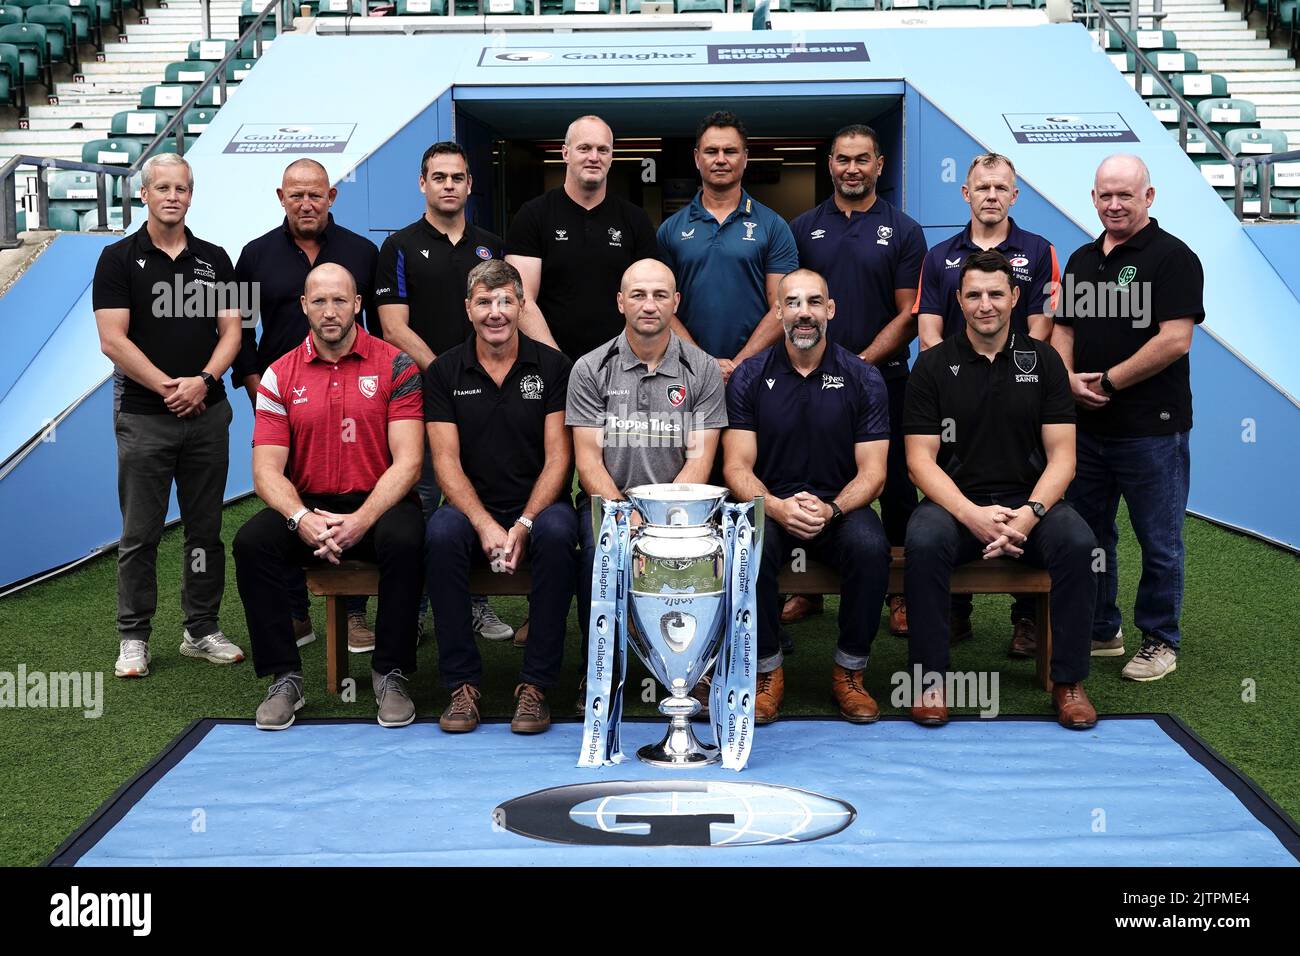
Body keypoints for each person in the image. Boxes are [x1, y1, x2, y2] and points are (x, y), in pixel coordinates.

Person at [903, 250, 1098, 730]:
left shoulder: (1045, 361)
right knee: (923, 542)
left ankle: (1068, 682)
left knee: (1079, 544)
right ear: (959, 301)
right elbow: (919, 461)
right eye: (973, 295)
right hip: (956, 506)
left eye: (995, 293)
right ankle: (930, 681)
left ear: (1014, 297)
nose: (984, 304)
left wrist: (1029, 514)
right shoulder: (931, 367)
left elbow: (1063, 458)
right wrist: (972, 514)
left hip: (1032, 505)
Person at [233, 264, 425, 730]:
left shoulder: (397, 365)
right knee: (251, 542)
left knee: (408, 537)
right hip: (309, 505)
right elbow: (265, 472)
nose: (330, 311)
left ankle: (390, 672)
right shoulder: (279, 375)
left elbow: (409, 463)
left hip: (379, 501)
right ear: (304, 306)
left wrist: (361, 518)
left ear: (358, 304)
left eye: (340, 300)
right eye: (319, 301)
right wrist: (301, 518)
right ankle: (285, 677)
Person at [93, 152, 245, 679]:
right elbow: (112, 340)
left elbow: (233, 332)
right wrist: (167, 387)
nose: (172, 196)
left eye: (181, 188)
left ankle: (200, 629)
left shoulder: (217, 258)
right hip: (144, 417)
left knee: (205, 531)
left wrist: (202, 382)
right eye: (162, 188)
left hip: (207, 414)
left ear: (191, 194)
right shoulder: (116, 258)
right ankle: (133, 636)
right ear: (144, 194)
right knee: (141, 534)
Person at [1051, 154, 1203, 682]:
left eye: (1125, 195)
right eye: (1105, 195)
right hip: (1087, 431)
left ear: (1148, 197)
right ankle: (1101, 628)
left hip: (1152, 430)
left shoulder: (1173, 258)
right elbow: (1064, 329)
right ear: (1093, 198)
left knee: (1159, 539)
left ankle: (1160, 639)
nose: (1114, 204)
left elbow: (1175, 338)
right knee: (1090, 536)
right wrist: (1067, 379)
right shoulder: (1080, 259)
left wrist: (1110, 381)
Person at [723, 268, 892, 725]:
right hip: (772, 506)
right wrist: (775, 507)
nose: (804, 312)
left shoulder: (863, 378)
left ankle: (850, 672)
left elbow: (873, 472)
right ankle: (766, 672)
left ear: (830, 310)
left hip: (839, 507)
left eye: (814, 302)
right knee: (747, 545)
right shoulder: (749, 377)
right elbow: (736, 465)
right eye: (793, 303)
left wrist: (833, 508)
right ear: (778, 313)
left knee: (870, 546)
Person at [915, 152, 1062, 658]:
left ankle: (1026, 622)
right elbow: (929, 331)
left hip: (1020, 398)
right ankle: (956, 612)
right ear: (967, 194)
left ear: (1014, 195)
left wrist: (1009, 378)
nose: (992, 196)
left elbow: (1041, 326)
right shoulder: (938, 256)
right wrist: (959, 380)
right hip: (955, 398)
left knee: (1032, 491)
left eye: (1001, 188)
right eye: (982, 188)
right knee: (946, 502)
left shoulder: (1040, 250)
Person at [566, 258, 728, 713]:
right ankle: (600, 670)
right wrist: (625, 513)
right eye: (638, 295)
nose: (649, 305)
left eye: (660, 295)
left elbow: (701, 459)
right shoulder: (590, 368)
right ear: (621, 302)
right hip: (610, 503)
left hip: (684, 510)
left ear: (676, 302)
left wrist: (660, 520)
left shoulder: (703, 371)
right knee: (593, 548)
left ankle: (691, 667)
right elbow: (588, 462)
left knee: (694, 554)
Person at [423, 260, 577, 735]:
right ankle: (462, 685)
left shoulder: (553, 367)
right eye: (485, 302)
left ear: (521, 304)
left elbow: (559, 460)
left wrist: (525, 522)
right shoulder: (444, 371)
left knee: (558, 531)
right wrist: (486, 524)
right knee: (441, 532)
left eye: (506, 300)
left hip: (540, 506)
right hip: (473, 512)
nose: (496, 312)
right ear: (468, 308)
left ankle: (536, 686)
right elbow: (445, 462)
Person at [233, 158, 380, 653]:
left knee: (352, 496)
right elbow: (242, 332)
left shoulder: (363, 251)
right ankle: (296, 613)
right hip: (284, 401)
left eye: (315, 194)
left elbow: (377, 329)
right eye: (296, 195)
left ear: (332, 197)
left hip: (354, 404)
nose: (306, 203)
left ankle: (356, 612)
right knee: (288, 505)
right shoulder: (252, 256)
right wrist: (261, 391)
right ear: (280, 197)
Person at [787, 123, 925, 636]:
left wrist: (861, 364)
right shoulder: (802, 227)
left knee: (894, 488)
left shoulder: (904, 230)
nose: (852, 168)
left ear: (879, 166)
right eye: (843, 159)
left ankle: (897, 592)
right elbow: (793, 301)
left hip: (882, 378)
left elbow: (910, 311)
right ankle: (806, 590)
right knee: (812, 475)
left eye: (862, 159)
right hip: (808, 380)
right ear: (830, 165)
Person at [375, 141, 510, 641]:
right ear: (422, 184)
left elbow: (505, 312)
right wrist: (447, 377)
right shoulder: (400, 247)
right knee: (428, 499)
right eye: (439, 177)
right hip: (424, 394)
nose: (448, 185)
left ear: (469, 184)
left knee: (478, 493)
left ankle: (476, 602)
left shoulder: (492, 245)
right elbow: (393, 327)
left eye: (457, 177)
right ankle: (417, 609)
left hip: (490, 393)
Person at [657, 111, 799, 380]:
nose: (720, 159)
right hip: (687, 372)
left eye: (730, 151)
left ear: (745, 158)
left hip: (758, 371)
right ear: (697, 158)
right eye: (712, 151)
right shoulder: (670, 230)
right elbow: (662, 306)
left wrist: (740, 364)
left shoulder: (773, 226)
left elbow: (783, 305)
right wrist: (704, 364)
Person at [505, 114, 658, 361]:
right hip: (549, 365)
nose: (594, 157)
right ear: (565, 153)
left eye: (603, 149)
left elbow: (649, 300)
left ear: (611, 156)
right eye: (584, 148)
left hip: (621, 365)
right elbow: (522, 301)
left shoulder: (635, 220)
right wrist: (558, 363)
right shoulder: (533, 216)